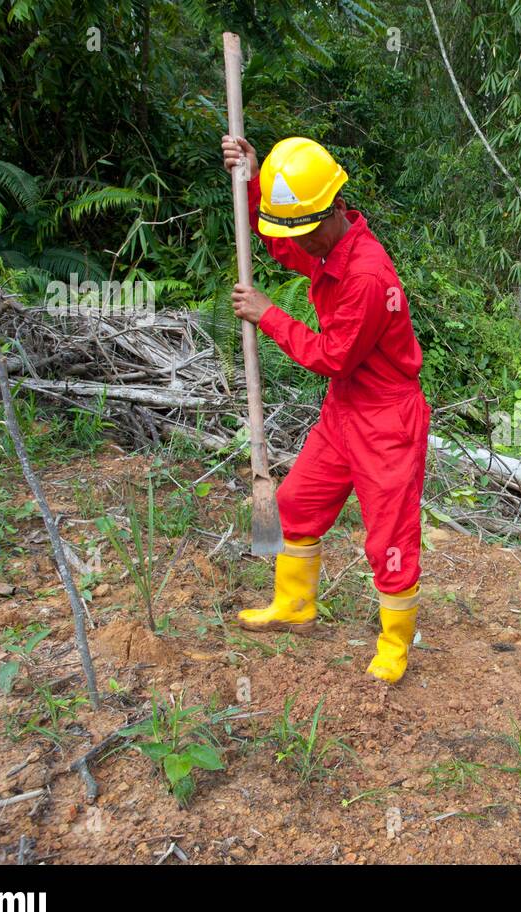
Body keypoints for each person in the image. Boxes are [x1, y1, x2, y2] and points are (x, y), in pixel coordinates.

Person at [220, 133, 430, 684]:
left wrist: (268, 315)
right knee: (296, 502)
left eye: (308, 231)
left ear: (336, 210)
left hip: (386, 418)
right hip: (346, 410)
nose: (302, 244)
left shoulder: (366, 276)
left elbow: (333, 356)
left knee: (389, 536)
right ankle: (295, 605)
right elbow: (281, 241)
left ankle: (393, 647)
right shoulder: (327, 242)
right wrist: (253, 175)